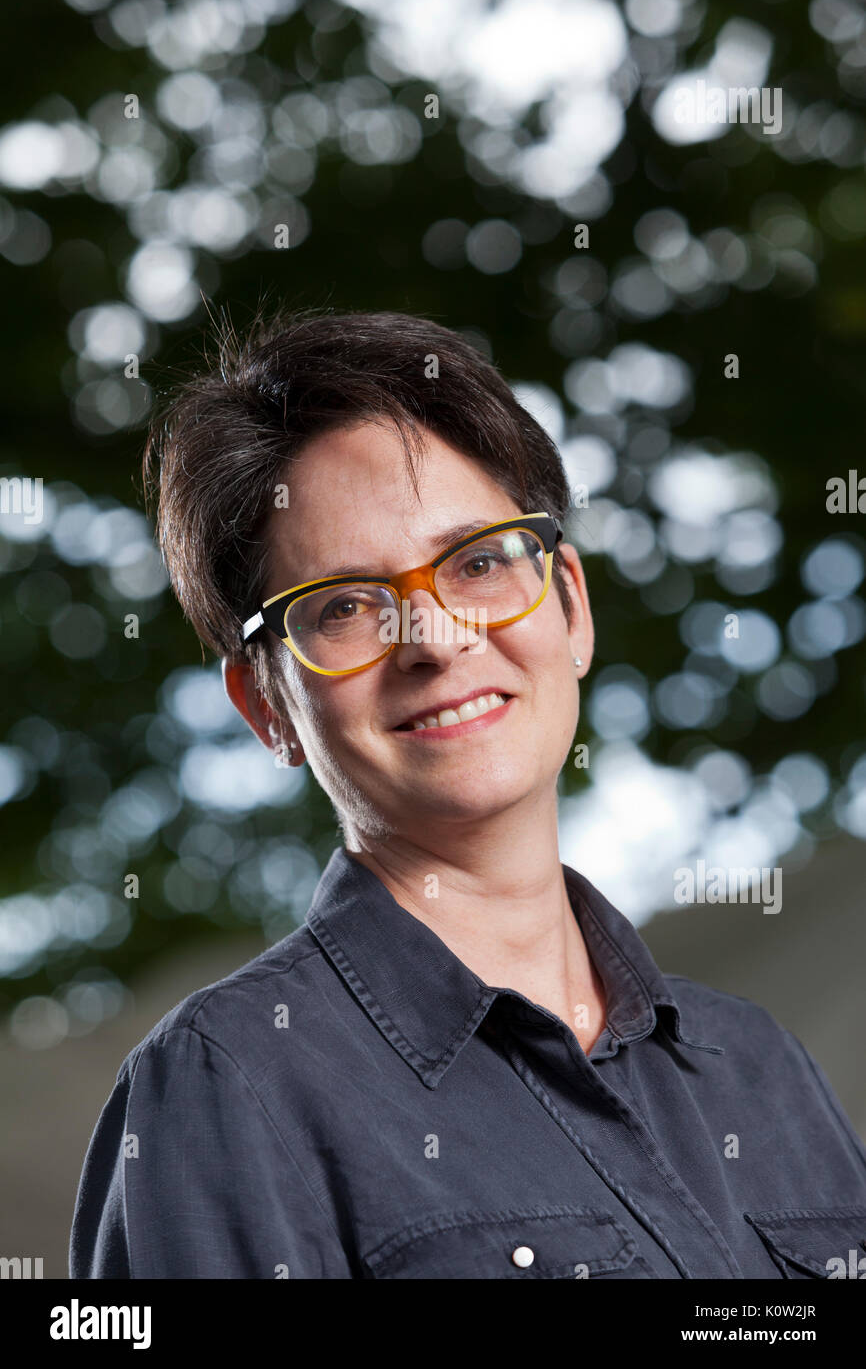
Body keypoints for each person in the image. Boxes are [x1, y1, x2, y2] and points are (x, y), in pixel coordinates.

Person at [70, 307, 866, 1279]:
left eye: (478, 562)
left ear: (569, 606)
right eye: (346, 606)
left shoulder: (757, 1066)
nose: (436, 638)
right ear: (264, 707)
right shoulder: (221, 1084)